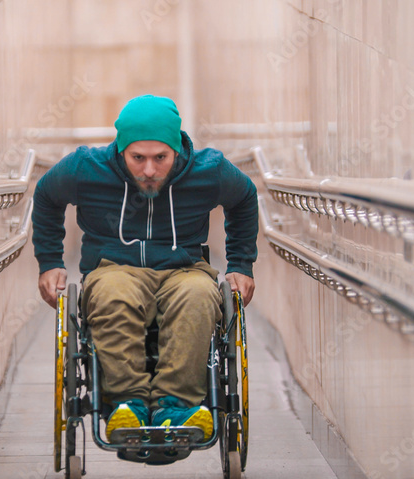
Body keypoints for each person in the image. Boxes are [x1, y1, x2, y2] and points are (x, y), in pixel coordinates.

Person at [32, 95, 259, 441]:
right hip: (113, 268)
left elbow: (244, 198)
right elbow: (47, 196)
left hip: (184, 268)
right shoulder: (86, 168)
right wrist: (49, 262)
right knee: (112, 295)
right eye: (138, 158)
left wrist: (241, 263)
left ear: (178, 151)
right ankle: (127, 405)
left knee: (199, 296)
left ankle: (178, 405)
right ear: (121, 150)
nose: (149, 170)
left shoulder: (208, 171)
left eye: (160, 158)